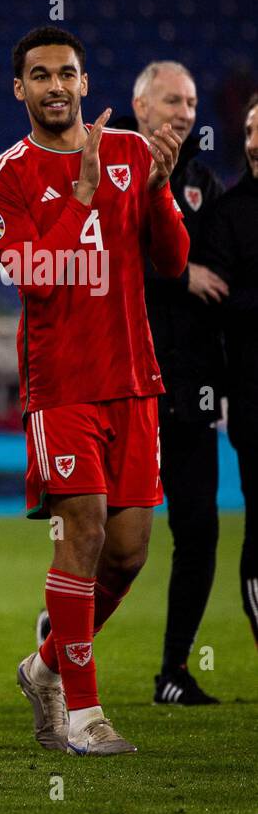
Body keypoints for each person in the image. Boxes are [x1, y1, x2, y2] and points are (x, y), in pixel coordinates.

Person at [0, 27, 188, 755]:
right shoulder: (2, 176)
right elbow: (36, 274)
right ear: (20, 90)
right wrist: (83, 194)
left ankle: (44, 667)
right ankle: (84, 715)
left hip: (134, 380)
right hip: (60, 385)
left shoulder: (132, 153)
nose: (55, 86)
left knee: (129, 552)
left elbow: (171, 259)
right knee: (85, 531)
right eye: (40, 75)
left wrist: (156, 190)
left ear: (86, 82)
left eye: (67, 73)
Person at [118, 63, 229, 705]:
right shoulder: (105, 164)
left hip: (190, 385)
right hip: (124, 376)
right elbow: (98, 254)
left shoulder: (204, 182)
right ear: (140, 103)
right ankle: (64, 638)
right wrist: (179, 275)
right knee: (102, 530)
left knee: (199, 527)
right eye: (171, 99)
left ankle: (173, 671)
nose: (184, 111)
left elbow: (222, 273)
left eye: (190, 100)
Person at [191, 93, 258, 662]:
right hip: (251, 392)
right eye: (252, 129)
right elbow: (219, 298)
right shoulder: (229, 214)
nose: (255, 140)